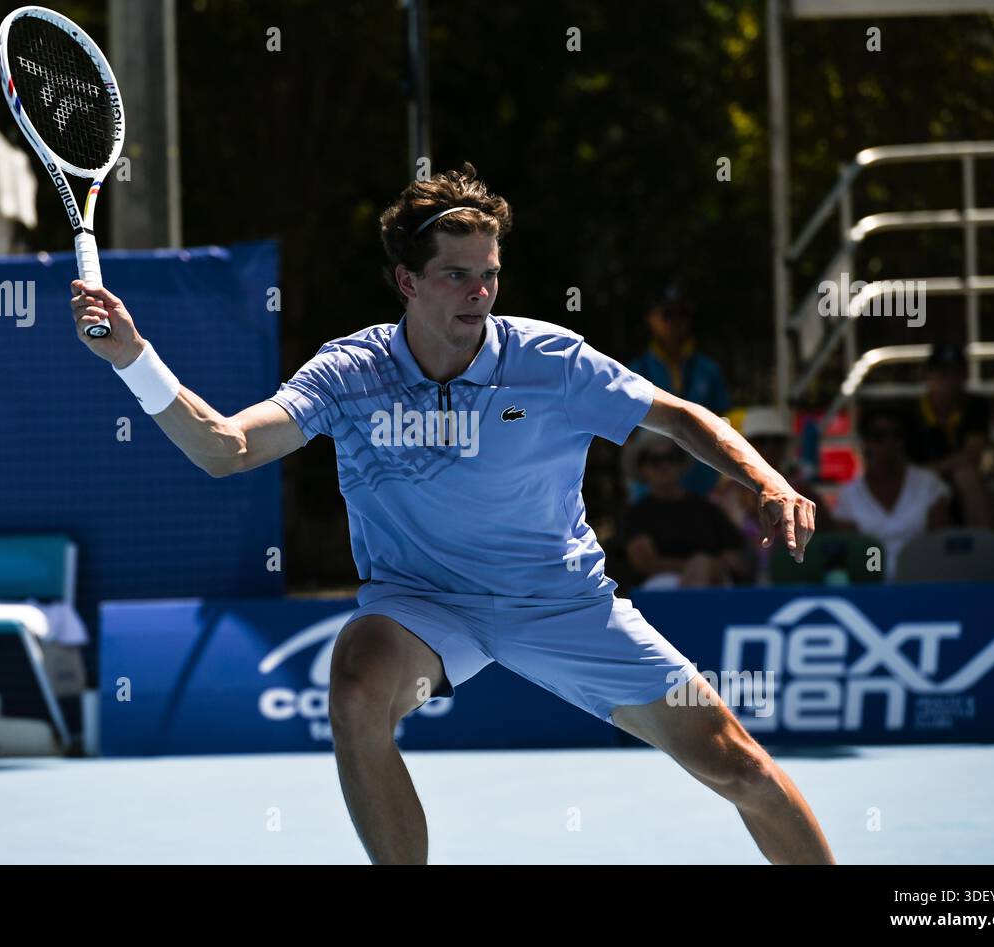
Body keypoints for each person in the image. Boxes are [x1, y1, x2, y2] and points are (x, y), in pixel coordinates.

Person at [69, 162, 833, 865]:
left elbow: (678, 417)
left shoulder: (551, 363)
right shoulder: (351, 373)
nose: (480, 293)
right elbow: (224, 448)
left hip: (562, 602)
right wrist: (134, 358)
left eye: (490, 275)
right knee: (356, 689)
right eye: (457, 275)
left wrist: (764, 480)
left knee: (740, 768)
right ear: (407, 280)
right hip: (423, 606)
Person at [626, 287, 730, 499]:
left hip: (703, 485)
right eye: (667, 314)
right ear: (650, 319)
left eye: (682, 314)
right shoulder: (634, 372)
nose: (675, 321)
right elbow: (625, 433)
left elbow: (723, 423)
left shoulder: (708, 370)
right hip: (649, 491)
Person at [711, 406, 834, 584]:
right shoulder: (722, 497)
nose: (770, 447)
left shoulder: (804, 494)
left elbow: (826, 539)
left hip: (793, 585)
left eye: (777, 440)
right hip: (738, 589)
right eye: (761, 440)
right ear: (745, 444)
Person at [833, 404, 951, 578]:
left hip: (920, 585)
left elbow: (940, 547)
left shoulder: (929, 484)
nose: (888, 443)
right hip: (871, 588)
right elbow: (851, 556)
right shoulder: (850, 494)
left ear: (905, 439)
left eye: (896, 434)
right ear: (866, 442)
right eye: (878, 436)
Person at [620, 431, 748, 589]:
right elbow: (645, 563)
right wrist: (699, 564)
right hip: (660, 588)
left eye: (671, 457)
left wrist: (705, 567)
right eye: (653, 459)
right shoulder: (636, 514)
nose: (663, 465)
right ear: (642, 467)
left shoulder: (707, 509)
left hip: (714, 583)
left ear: (681, 463)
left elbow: (735, 559)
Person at [905, 343, 991, 526]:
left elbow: (972, 457)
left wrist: (933, 469)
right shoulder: (911, 412)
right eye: (943, 374)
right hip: (919, 482)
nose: (950, 381)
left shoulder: (976, 406)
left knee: (965, 475)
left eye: (956, 373)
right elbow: (906, 467)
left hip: (955, 479)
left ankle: (981, 546)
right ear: (928, 376)